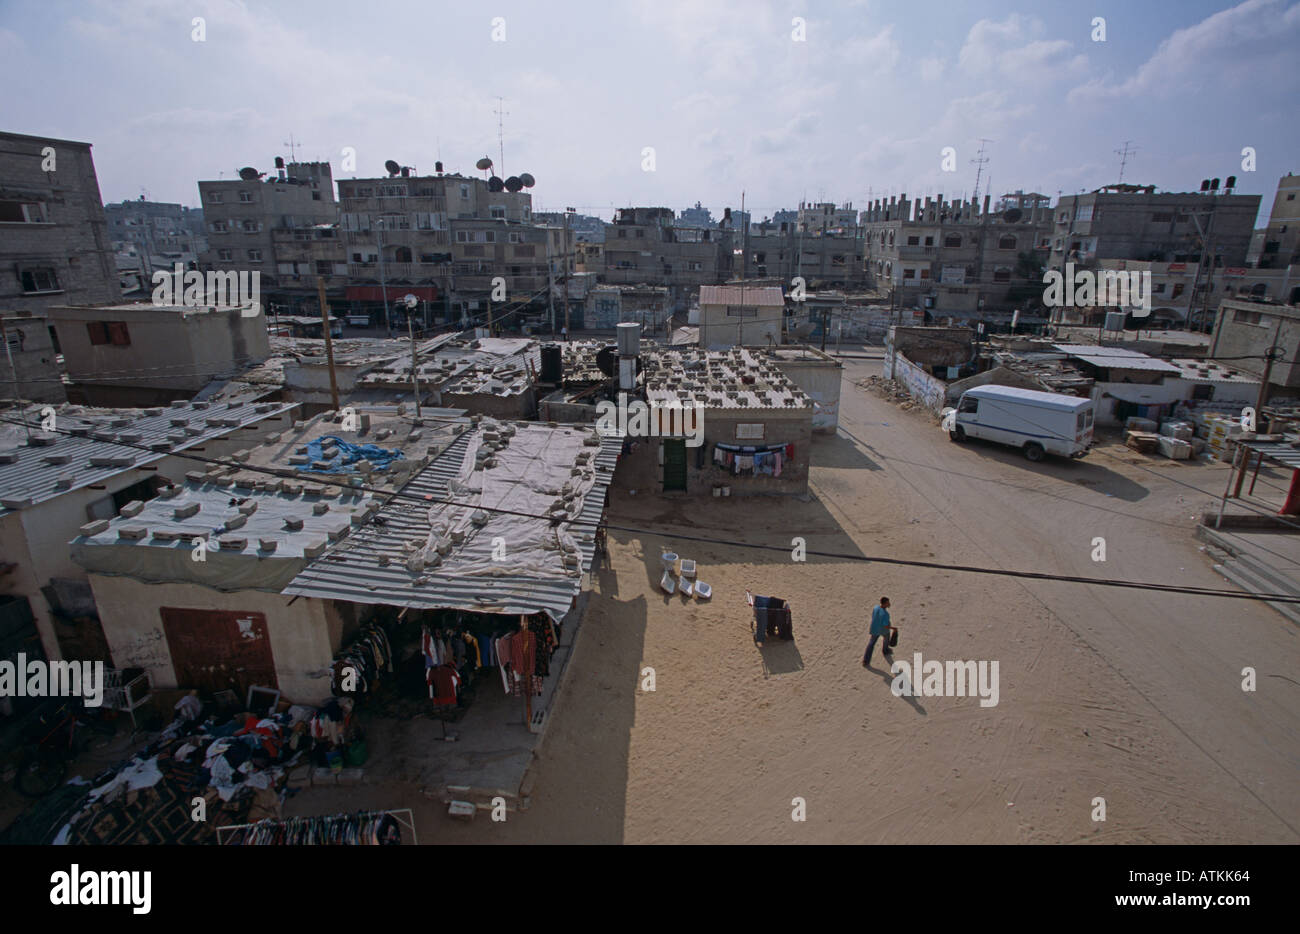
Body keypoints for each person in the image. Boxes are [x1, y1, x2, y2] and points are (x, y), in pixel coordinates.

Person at [862, 597, 894, 668]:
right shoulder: (885, 614)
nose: (889, 604)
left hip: (874, 629)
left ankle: (865, 660)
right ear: (885, 604)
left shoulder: (876, 607)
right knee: (887, 638)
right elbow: (885, 625)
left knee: (871, 644)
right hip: (882, 630)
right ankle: (885, 651)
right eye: (888, 603)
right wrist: (893, 628)